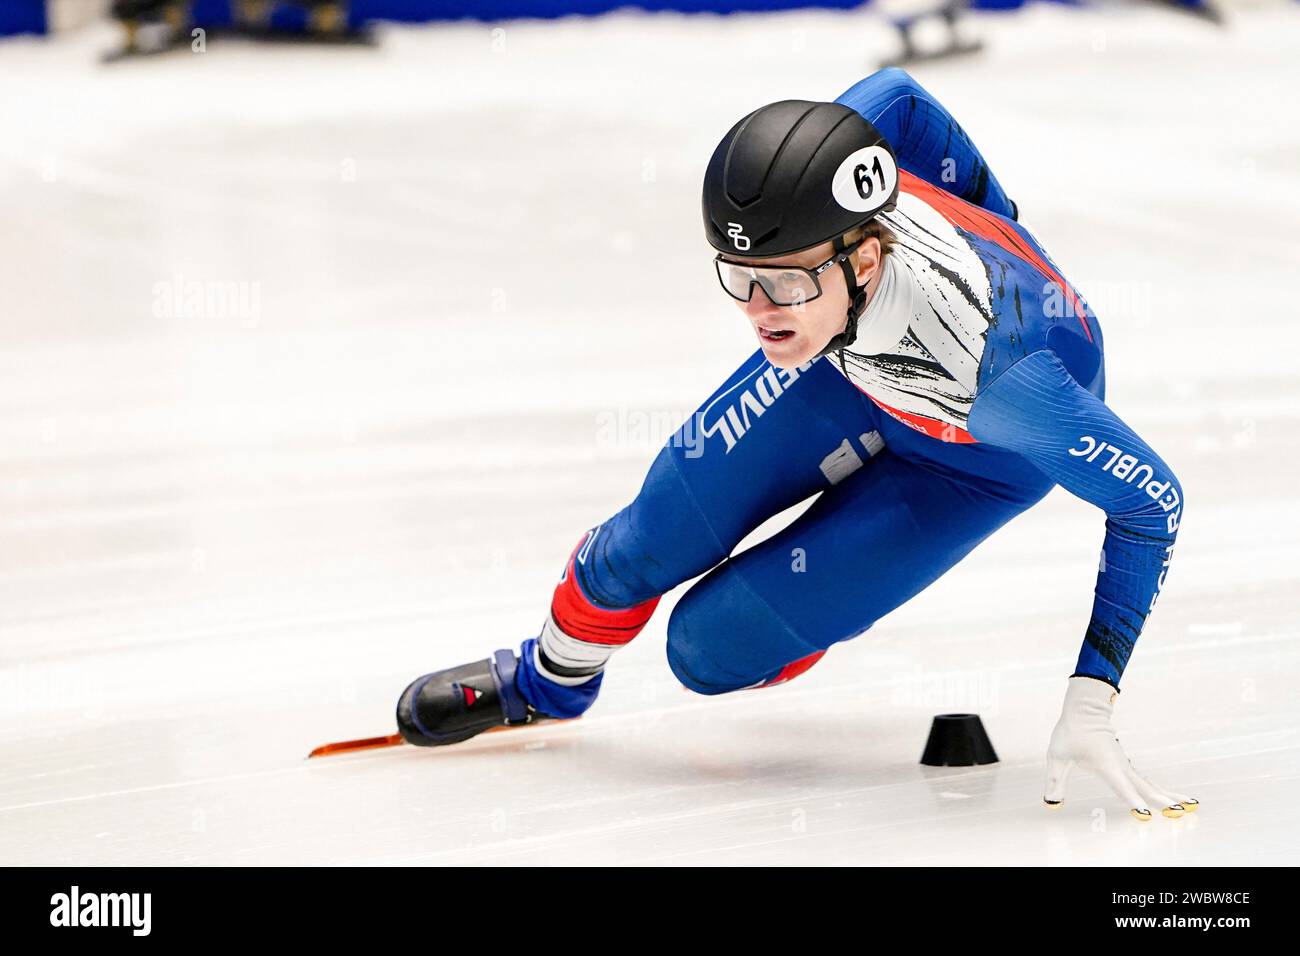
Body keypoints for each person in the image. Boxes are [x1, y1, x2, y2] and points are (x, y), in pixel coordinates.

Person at [396, 68, 1196, 821]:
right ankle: (549, 683)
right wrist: (997, 215)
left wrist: (1093, 698)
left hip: (975, 459)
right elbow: (900, 96)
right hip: (848, 362)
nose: (759, 310)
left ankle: (807, 606)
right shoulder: (831, 207)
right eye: (740, 277)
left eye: (783, 283)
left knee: (705, 650)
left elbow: (1151, 502)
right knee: (643, 546)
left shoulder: (1005, 377)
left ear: (867, 256)